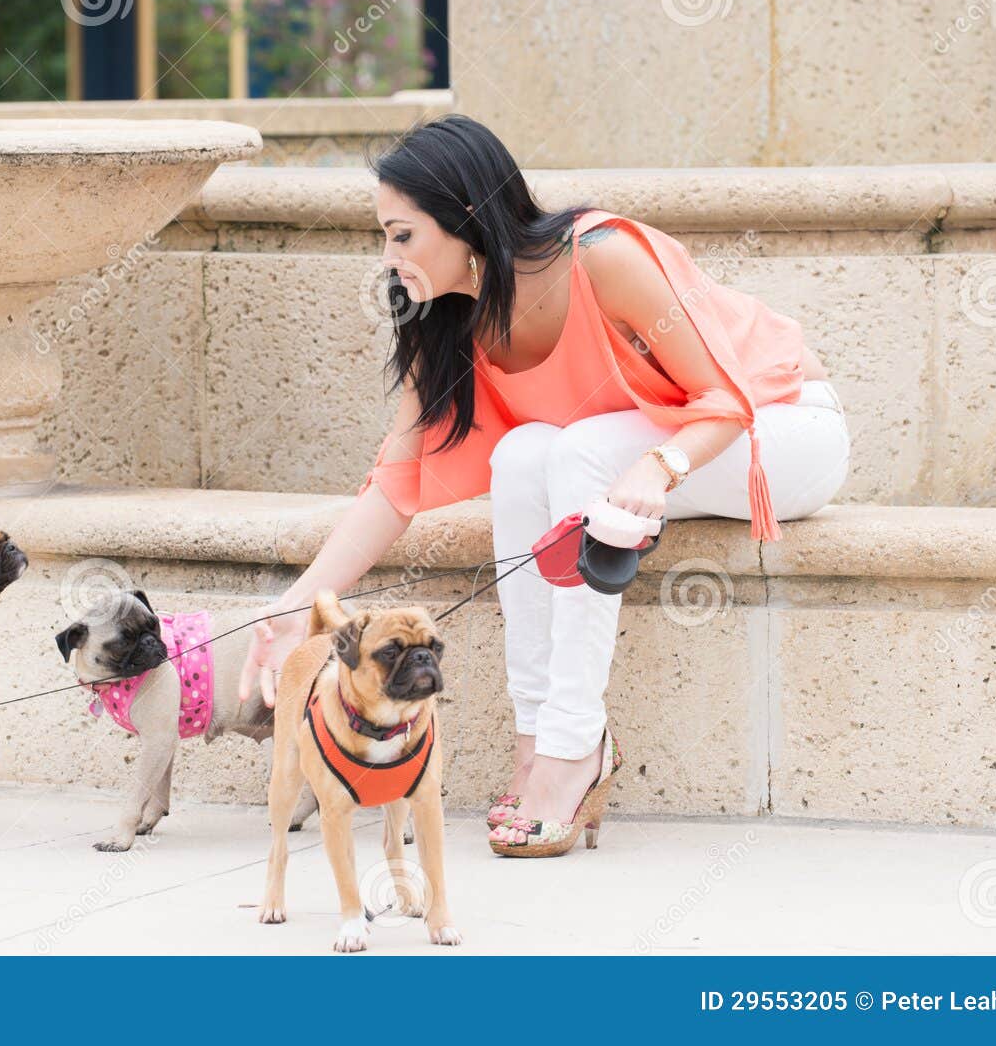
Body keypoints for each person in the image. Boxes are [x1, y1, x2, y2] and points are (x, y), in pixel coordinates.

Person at [239, 114, 849, 857]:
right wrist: (292, 608)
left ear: (465, 216)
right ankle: (535, 737)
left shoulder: (600, 257)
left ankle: (574, 747)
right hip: (645, 455)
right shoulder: (448, 319)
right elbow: (395, 486)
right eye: (383, 236)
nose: (389, 257)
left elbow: (723, 400)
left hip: (784, 435)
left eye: (403, 234)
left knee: (578, 449)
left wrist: (656, 468)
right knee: (525, 453)